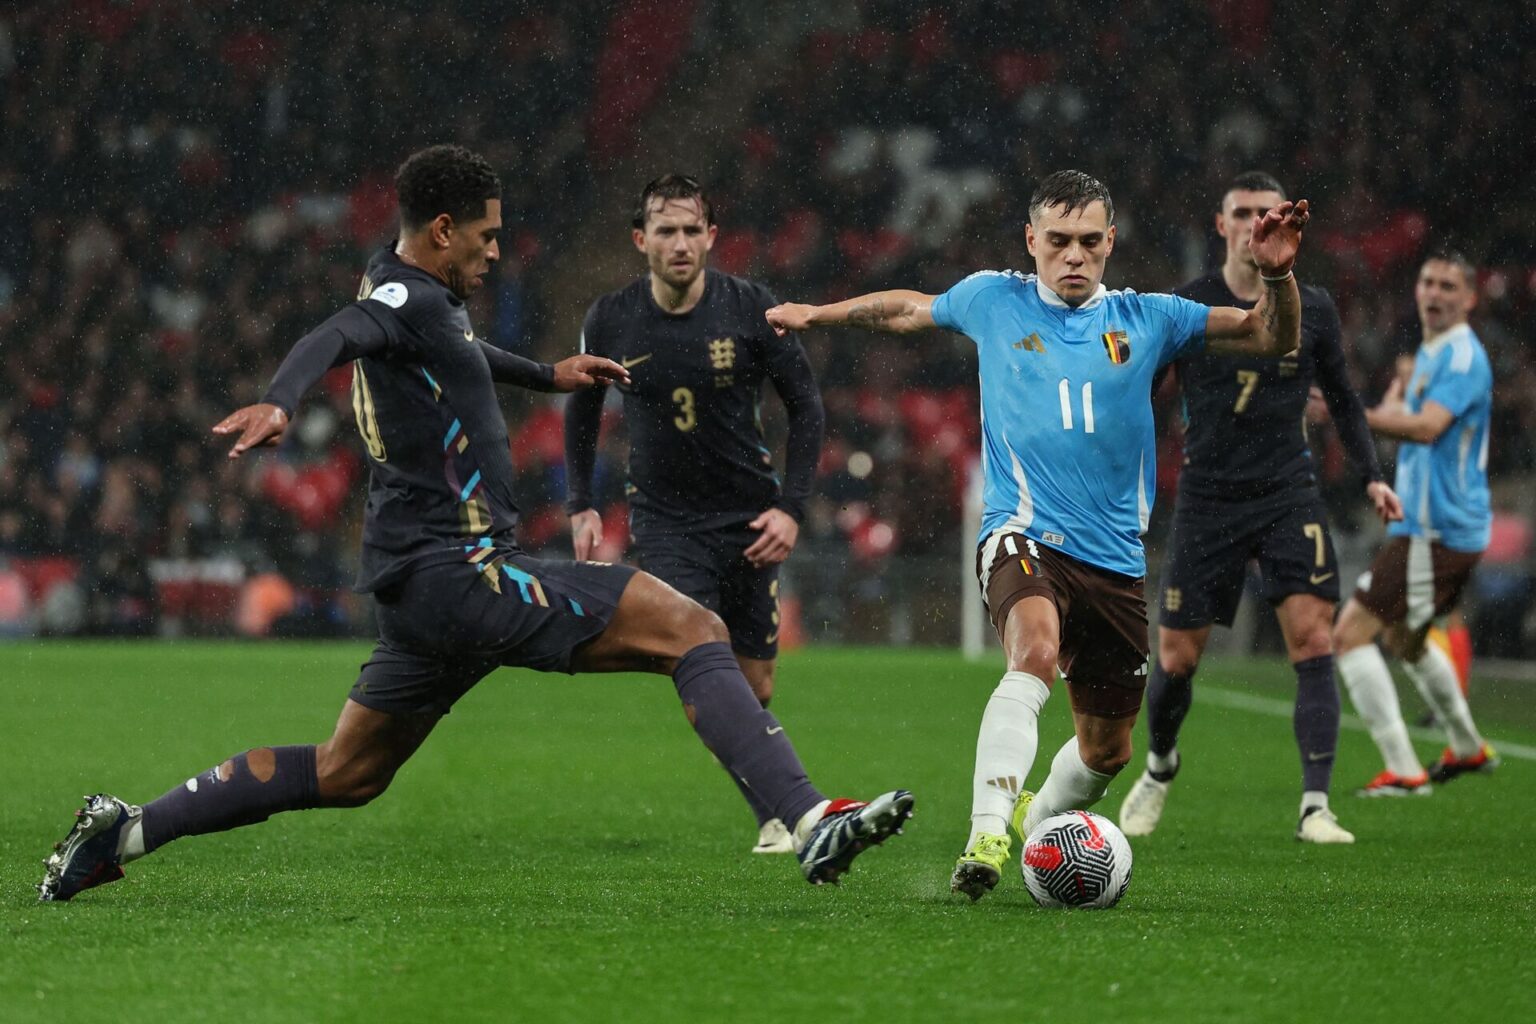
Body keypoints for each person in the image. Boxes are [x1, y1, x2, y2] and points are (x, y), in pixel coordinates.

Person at [38, 145, 912, 902]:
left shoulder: (415, 288)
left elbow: (452, 349)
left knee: (348, 772)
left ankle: (126, 832)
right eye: (488, 236)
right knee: (691, 627)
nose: (499, 252)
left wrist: (546, 374)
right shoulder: (398, 299)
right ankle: (805, 818)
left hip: (421, 587)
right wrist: (278, 398)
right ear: (445, 228)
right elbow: (340, 332)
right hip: (463, 569)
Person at [766, 169, 1309, 901]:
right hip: (1023, 533)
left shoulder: (1151, 316)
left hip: (1115, 561)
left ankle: (1039, 822)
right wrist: (817, 316)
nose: (1074, 255)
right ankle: (986, 832)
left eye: (1090, 241)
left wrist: (1278, 277)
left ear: (1111, 242)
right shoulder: (997, 298)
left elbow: (1269, 335)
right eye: (1058, 242)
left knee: (1107, 751)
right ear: (1032, 241)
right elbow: (906, 311)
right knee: (1035, 652)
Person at [1116, 172, 1403, 845]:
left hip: (1286, 491)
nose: (1252, 223)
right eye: (1240, 212)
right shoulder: (1187, 306)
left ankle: (1315, 806)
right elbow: (1142, 394)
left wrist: (1372, 475)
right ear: (1221, 224)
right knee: (1178, 659)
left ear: (1281, 223)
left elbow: (1344, 399)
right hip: (1207, 496)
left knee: (1313, 639)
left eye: (1262, 212)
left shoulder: (1316, 308)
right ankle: (1159, 765)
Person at [565, 175, 825, 855]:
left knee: (754, 683)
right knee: (697, 646)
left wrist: (791, 509)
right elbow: (583, 411)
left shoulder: (751, 309)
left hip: (747, 519)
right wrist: (581, 502)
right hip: (665, 521)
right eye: (664, 230)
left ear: (711, 236)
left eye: (691, 230)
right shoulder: (611, 318)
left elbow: (808, 407)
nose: (678, 243)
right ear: (640, 239)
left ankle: (772, 802)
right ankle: (778, 814)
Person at [1332, 250, 1499, 796]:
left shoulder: (1462, 358)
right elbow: (1405, 418)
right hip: (1428, 525)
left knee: (1351, 636)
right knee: (1406, 638)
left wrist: (1347, 413)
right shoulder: (1431, 352)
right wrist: (1391, 401)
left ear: (1470, 298)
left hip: (1438, 528)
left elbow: (1427, 429)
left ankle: (1404, 770)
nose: (1434, 293)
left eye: (1449, 286)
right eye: (1428, 281)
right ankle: (1468, 749)